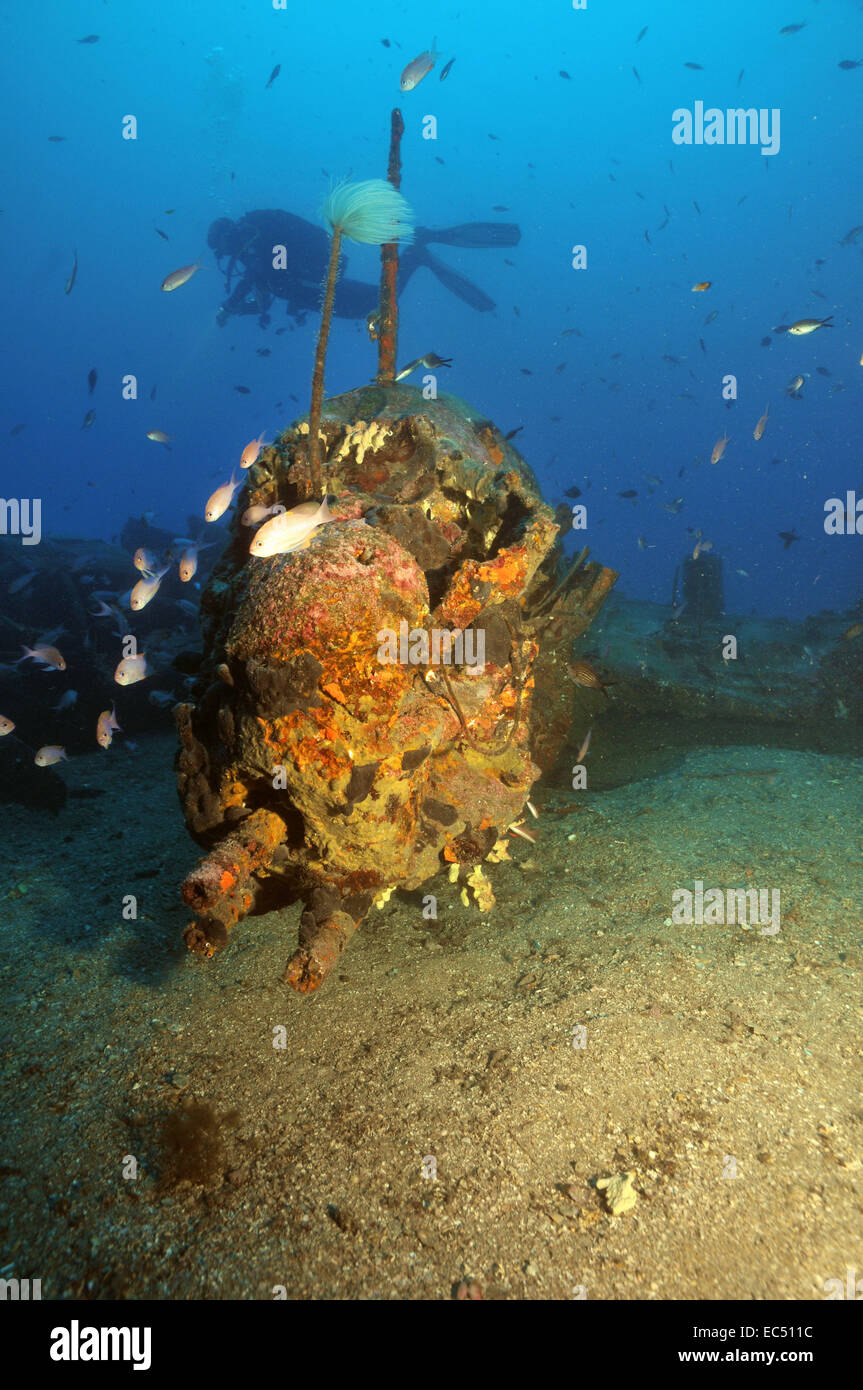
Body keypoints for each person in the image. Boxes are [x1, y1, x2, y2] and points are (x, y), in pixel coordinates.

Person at [207, 210, 521, 327]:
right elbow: (263, 289)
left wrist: (231, 306)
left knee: (379, 304)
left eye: (224, 250)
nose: (228, 257)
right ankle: (419, 250)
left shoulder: (258, 243)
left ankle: (416, 255)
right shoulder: (255, 246)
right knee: (378, 305)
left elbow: (261, 277)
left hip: (316, 286)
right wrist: (235, 307)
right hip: (313, 288)